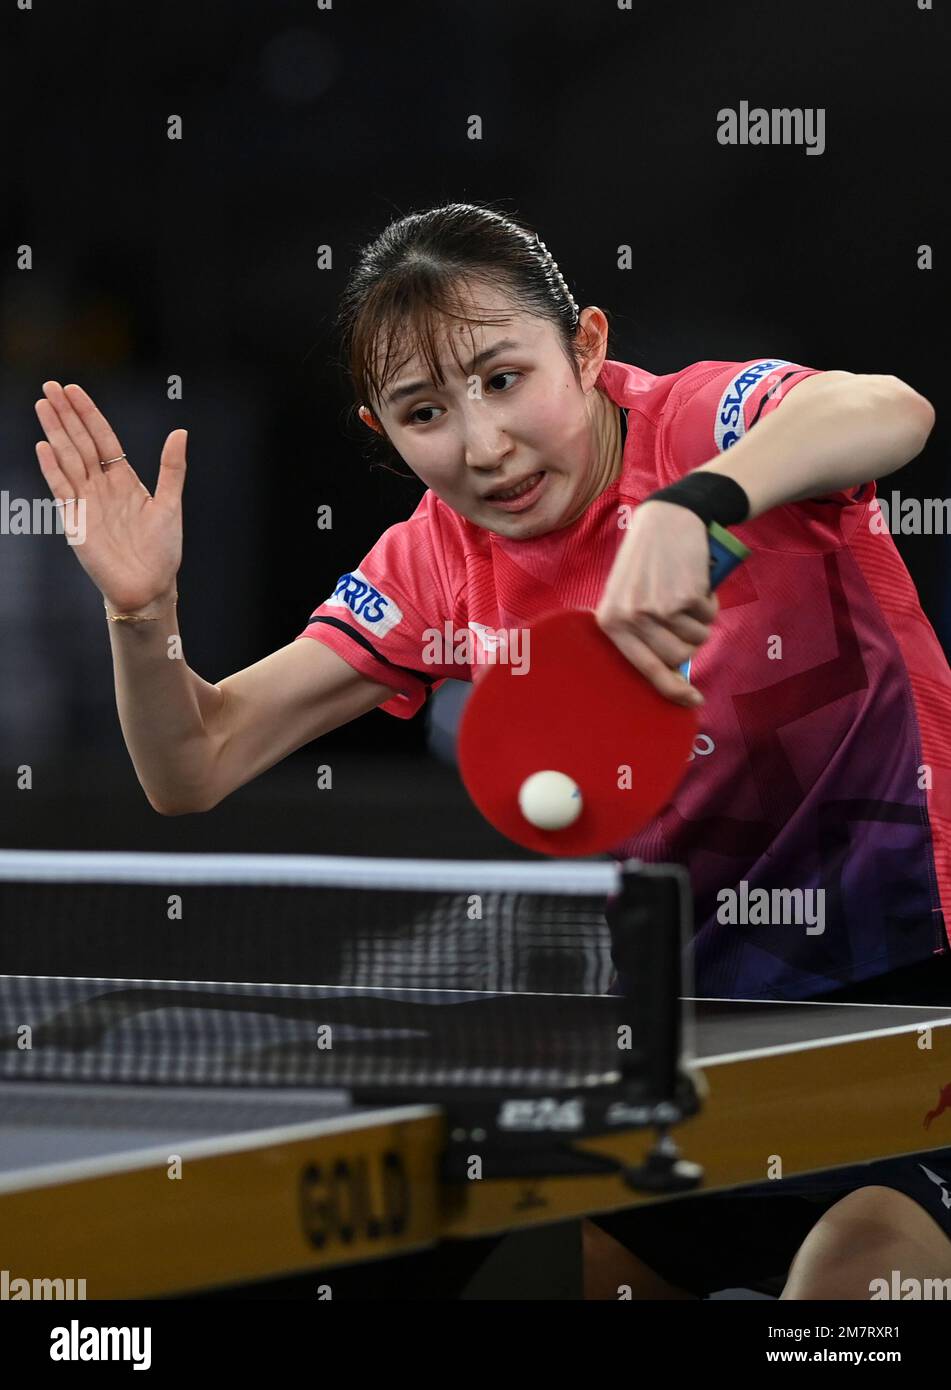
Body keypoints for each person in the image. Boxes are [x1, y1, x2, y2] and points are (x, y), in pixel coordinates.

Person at [34, 201, 950, 1300]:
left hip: (919, 979)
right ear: (381, 432)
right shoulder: (435, 561)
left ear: (589, 346)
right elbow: (196, 763)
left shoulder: (701, 421)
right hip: (689, 1024)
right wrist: (144, 615)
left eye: (505, 378)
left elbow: (890, 408)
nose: (483, 444)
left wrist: (697, 504)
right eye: (424, 412)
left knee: (851, 1286)